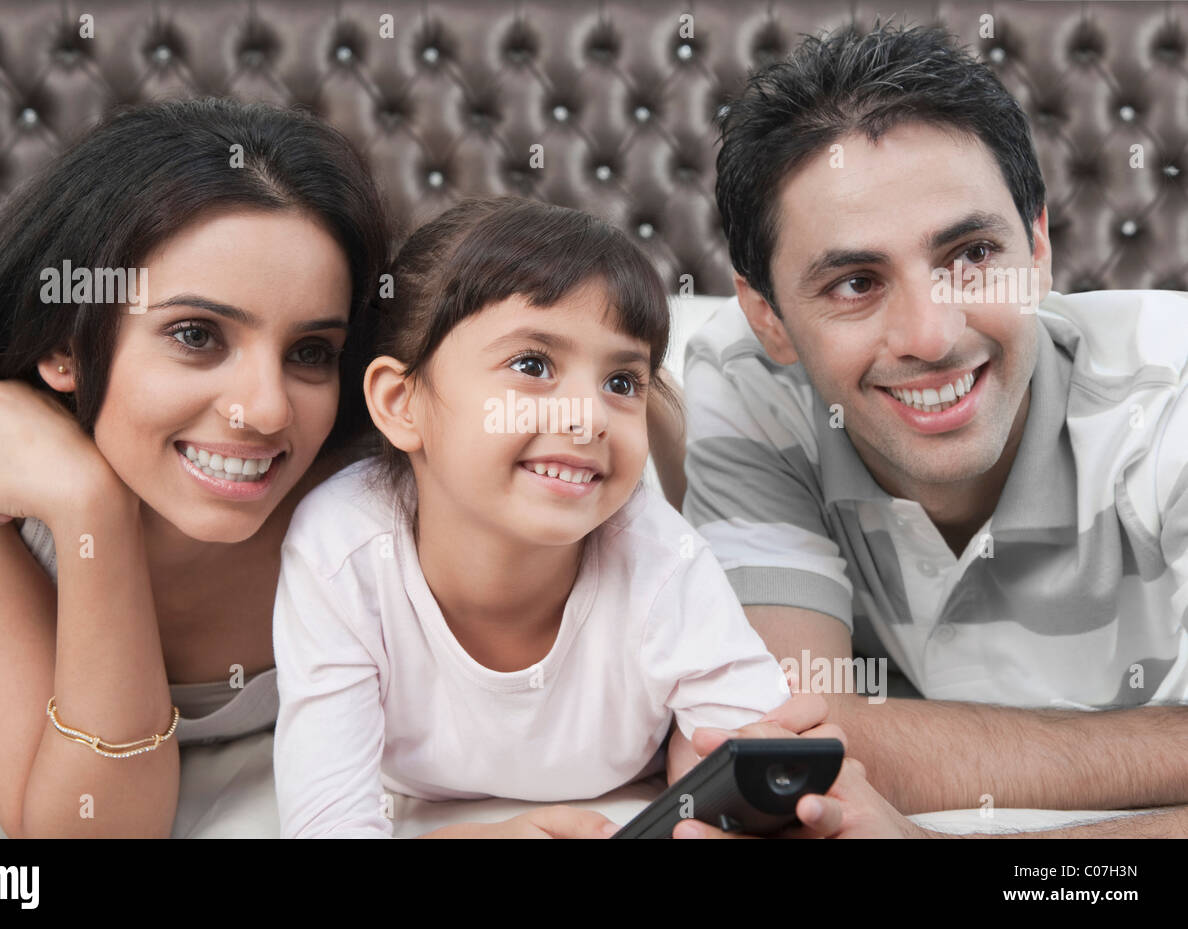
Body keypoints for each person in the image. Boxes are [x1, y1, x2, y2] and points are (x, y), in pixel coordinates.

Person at [672, 22, 1188, 835]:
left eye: (974, 252)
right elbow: (781, 738)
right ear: (767, 317)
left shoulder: (1172, 399)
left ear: (1041, 246)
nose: (932, 334)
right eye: (854, 282)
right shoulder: (747, 389)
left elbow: (814, 749)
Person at [0, 98, 389, 837]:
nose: (268, 408)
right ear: (62, 345)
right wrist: (91, 507)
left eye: (310, 350)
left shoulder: (365, 491)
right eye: (196, 334)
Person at [272, 197, 795, 838]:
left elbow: (753, 747)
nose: (588, 417)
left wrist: (727, 781)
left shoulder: (661, 556)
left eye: (623, 382)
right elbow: (327, 825)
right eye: (532, 365)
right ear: (400, 402)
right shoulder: (341, 549)